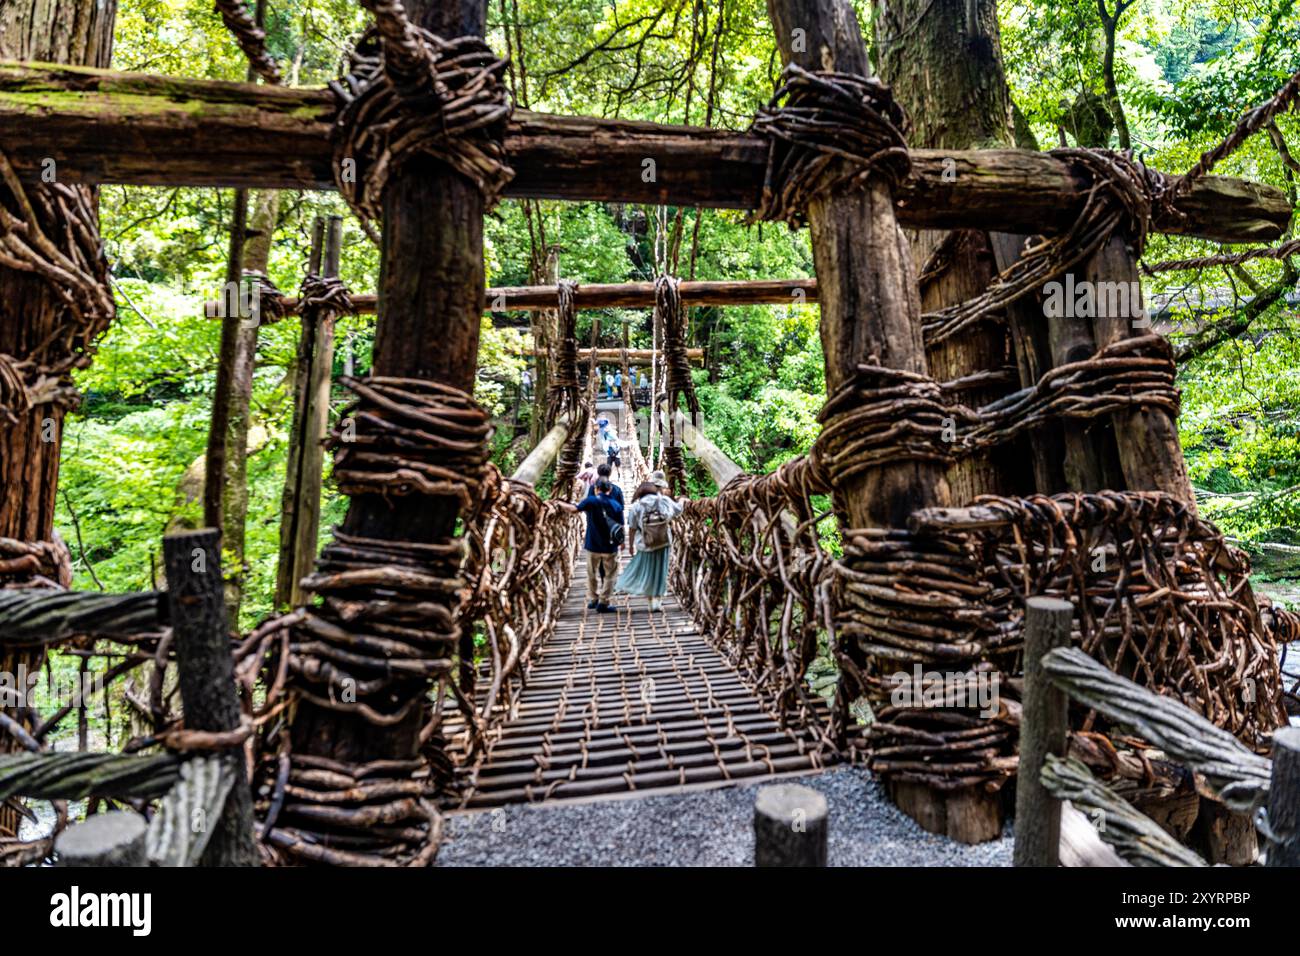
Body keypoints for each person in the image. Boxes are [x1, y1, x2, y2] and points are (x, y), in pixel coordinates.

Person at [616, 470, 684, 613]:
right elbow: (678, 510)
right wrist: (683, 500)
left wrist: (631, 545)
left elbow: (632, 527)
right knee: (660, 571)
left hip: (645, 543)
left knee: (646, 571)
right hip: (663, 541)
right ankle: (657, 601)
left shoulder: (637, 505)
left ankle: (647, 598)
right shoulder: (664, 500)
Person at [562, 479, 623, 613]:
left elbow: (573, 509)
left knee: (591, 573)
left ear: (596, 488)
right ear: (610, 490)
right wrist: (622, 543)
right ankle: (604, 601)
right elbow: (620, 526)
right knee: (610, 575)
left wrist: (559, 504)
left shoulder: (591, 501)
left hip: (592, 544)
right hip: (609, 546)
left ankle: (594, 599)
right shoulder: (616, 505)